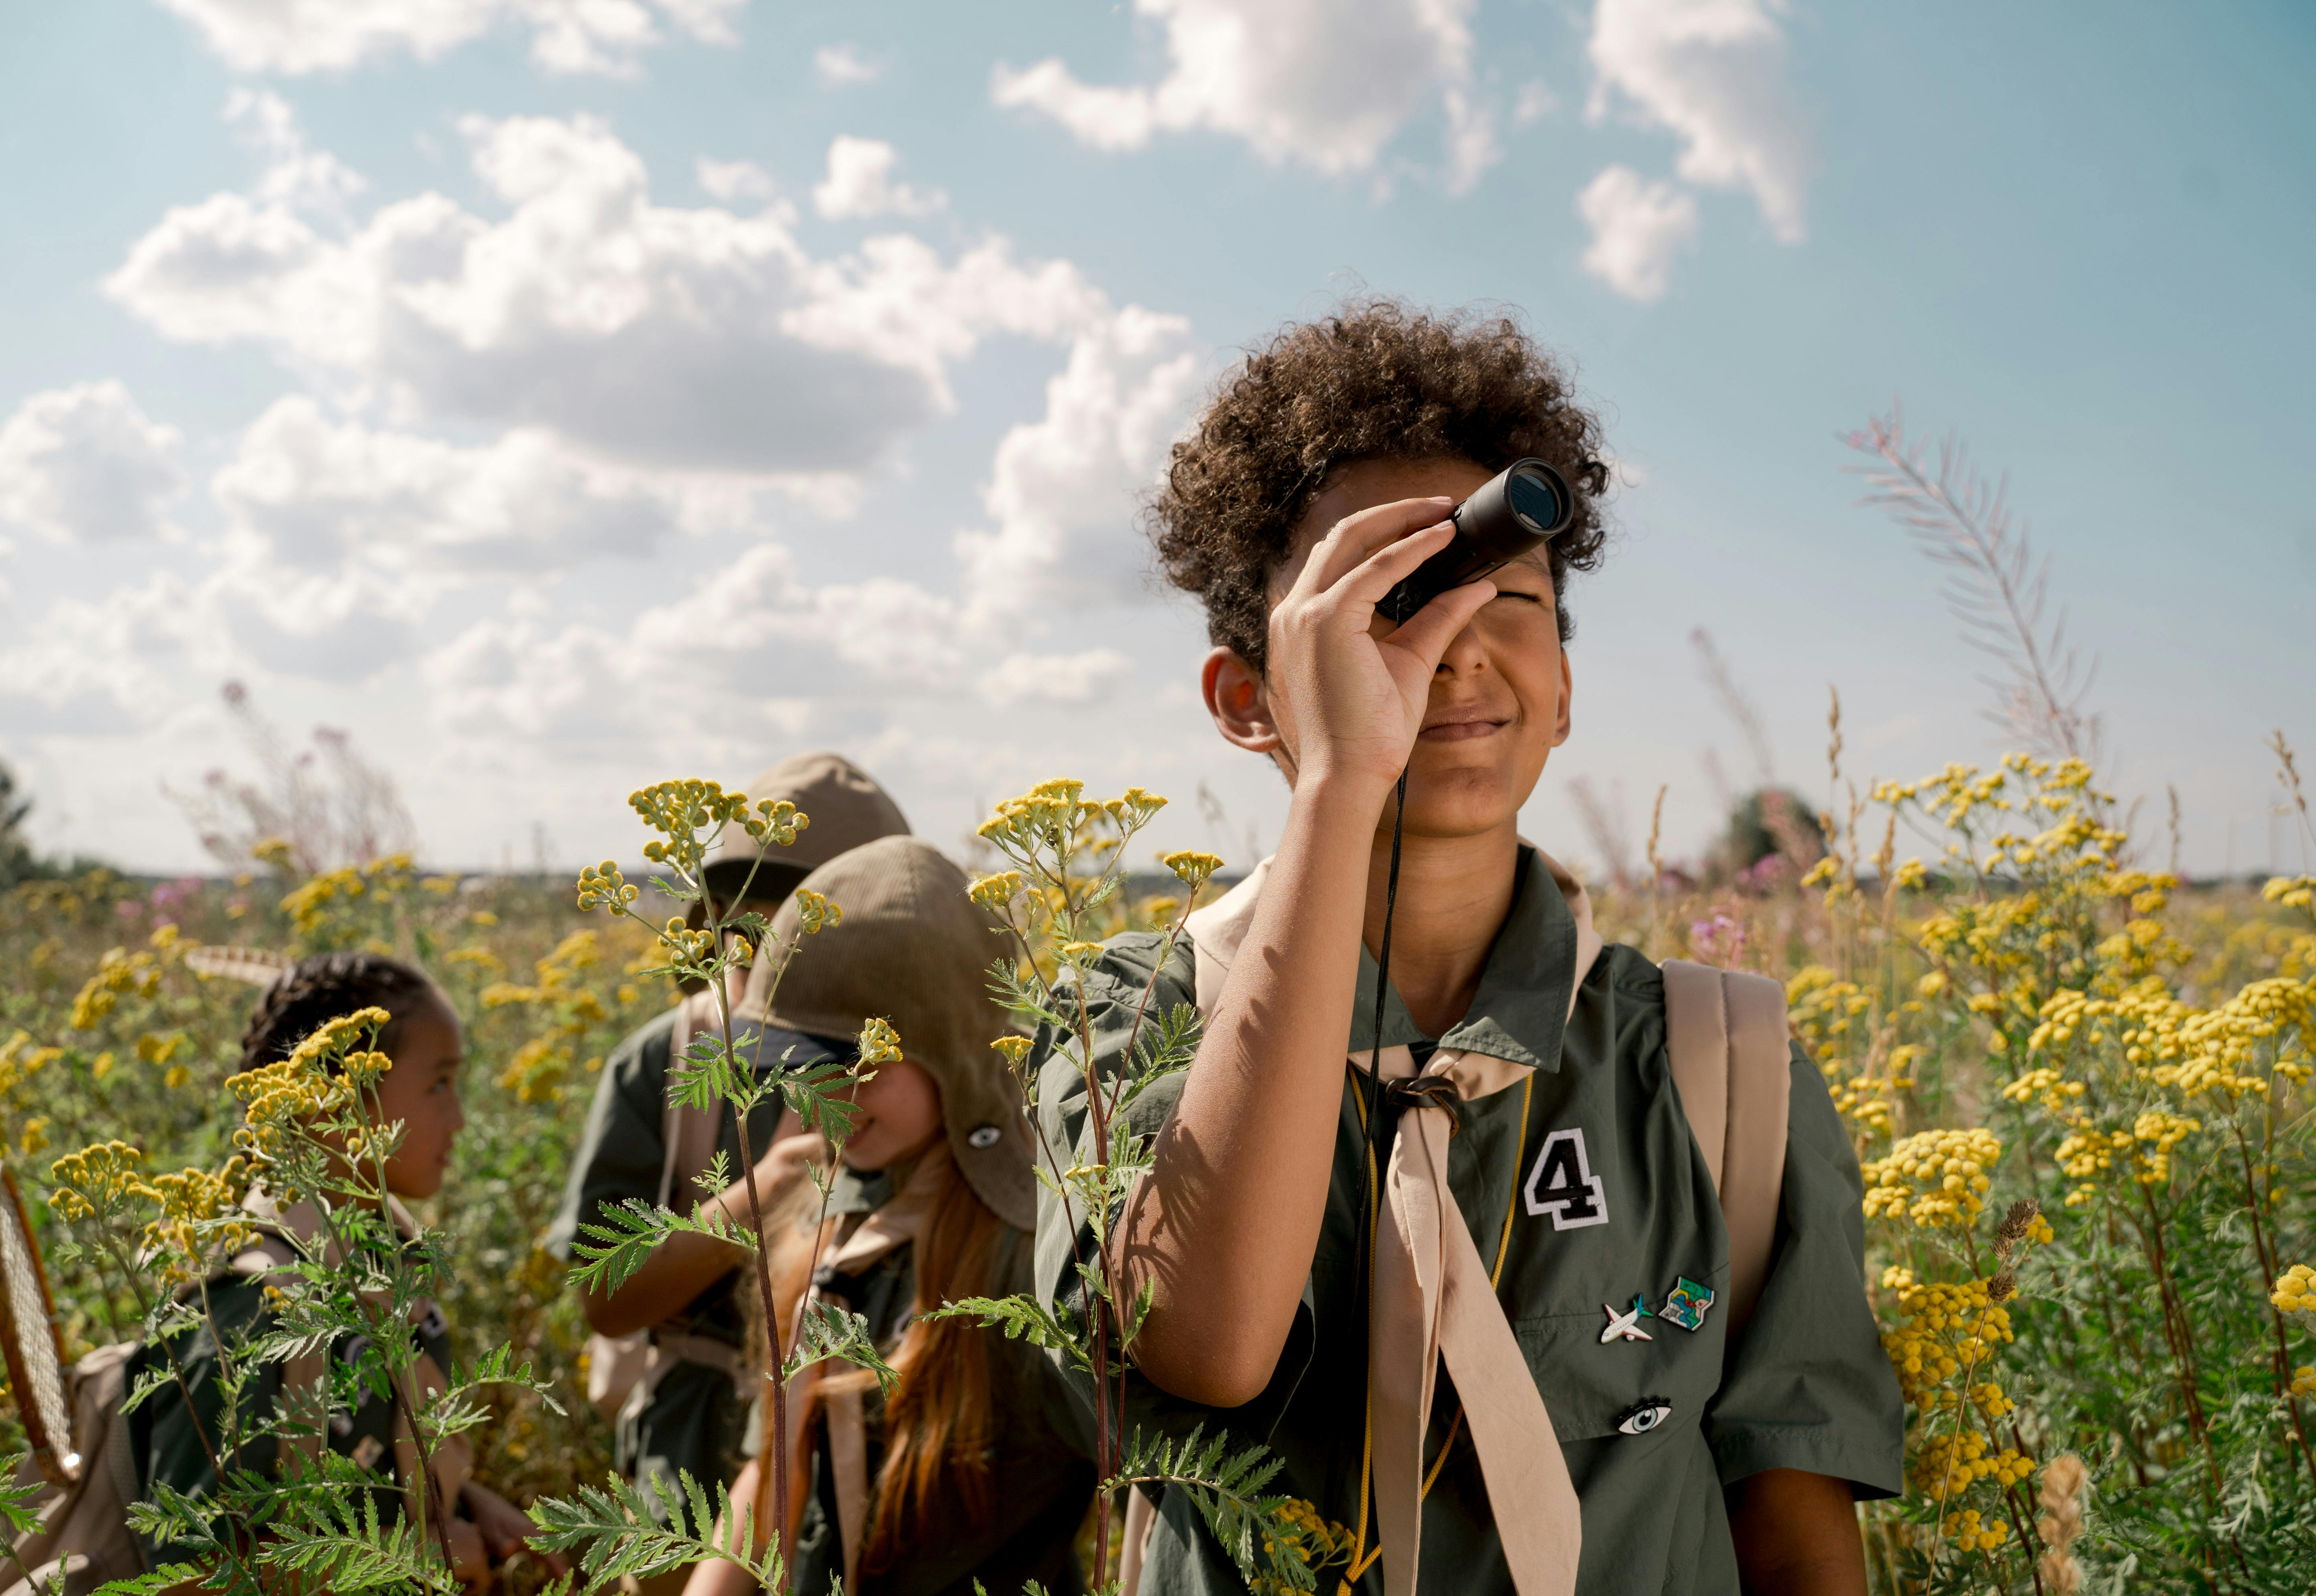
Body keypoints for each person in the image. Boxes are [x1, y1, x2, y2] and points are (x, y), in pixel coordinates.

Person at [1030, 302, 1904, 1595]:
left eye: (1512, 599)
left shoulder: (1721, 1064)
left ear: (1566, 688)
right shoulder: (1132, 1023)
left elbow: (1791, 1519)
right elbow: (1207, 1348)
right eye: (1393, 600)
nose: (1458, 650)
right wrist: (1341, 784)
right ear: (1247, 698)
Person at [687, 835, 1091, 1596]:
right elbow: (770, 1476)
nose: (824, 1095)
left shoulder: (1037, 1259)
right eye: (799, 1066)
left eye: (858, 1063)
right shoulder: (826, 1216)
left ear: (956, 1051)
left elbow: (1150, 1491)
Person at [547, 752, 910, 1592]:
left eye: (817, 940)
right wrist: (770, 1186)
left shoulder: (912, 1069)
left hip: (870, 1466)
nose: (780, 968)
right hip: (688, 1477)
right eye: (755, 938)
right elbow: (607, 1300)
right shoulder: (665, 1061)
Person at [127, 952, 544, 1590]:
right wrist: (412, 1557)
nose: (459, 1117)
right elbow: (187, 1579)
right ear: (334, 1103)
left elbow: (366, 1460)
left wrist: (465, 1505)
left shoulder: (383, 1262)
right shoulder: (245, 1311)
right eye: (439, 1085)